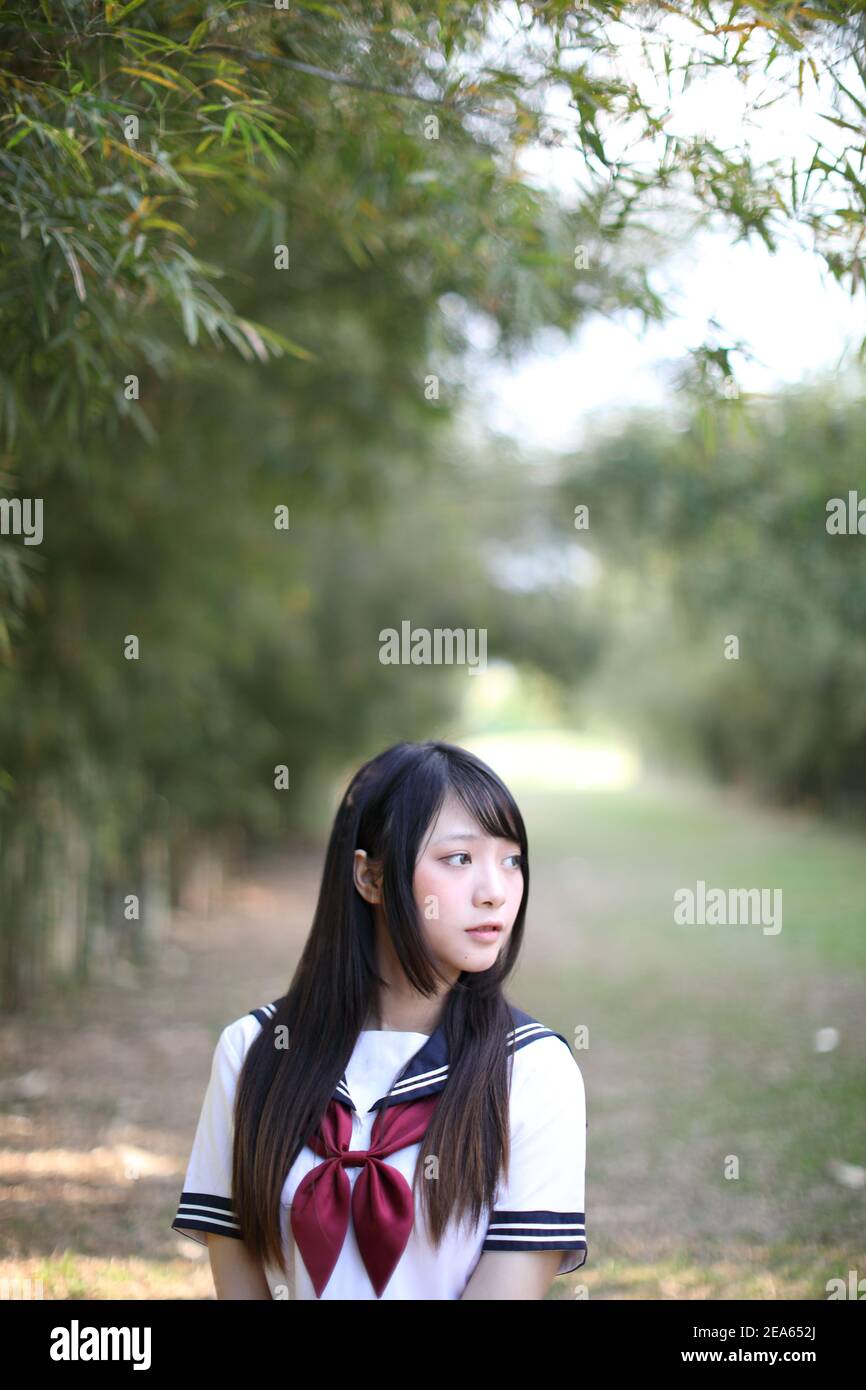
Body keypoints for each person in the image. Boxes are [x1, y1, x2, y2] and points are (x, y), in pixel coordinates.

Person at [170, 738, 587, 1299]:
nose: (495, 892)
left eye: (511, 861)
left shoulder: (531, 1071)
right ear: (369, 878)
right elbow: (239, 1281)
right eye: (459, 859)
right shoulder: (254, 1052)